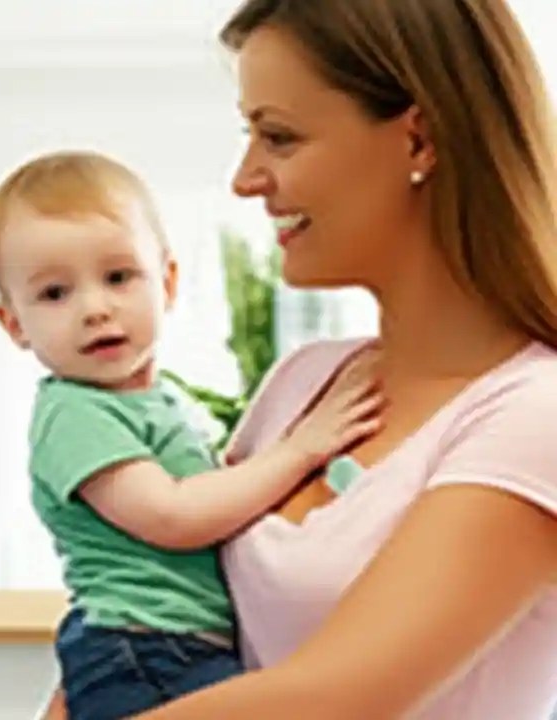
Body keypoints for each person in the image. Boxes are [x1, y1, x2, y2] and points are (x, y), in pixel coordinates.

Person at [130, 0, 557, 717]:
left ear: (419, 141)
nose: (246, 178)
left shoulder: (534, 414)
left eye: (280, 137)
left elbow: (333, 697)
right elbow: (161, 612)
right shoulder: (300, 384)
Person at [0, 151, 383, 719]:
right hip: (141, 645)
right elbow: (174, 516)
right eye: (54, 294)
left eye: (119, 277)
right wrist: (300, 451)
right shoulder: (73, 413)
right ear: (14, 324)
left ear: (167, 282)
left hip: (172, 646)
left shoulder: (166, 401)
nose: (95, 308)